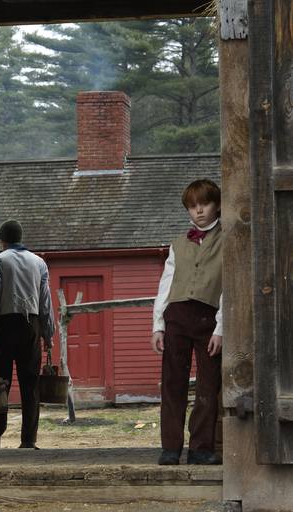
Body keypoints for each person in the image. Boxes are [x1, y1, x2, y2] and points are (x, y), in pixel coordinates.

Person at [151, 179, 223, 465]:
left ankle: (200, 449)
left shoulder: (231, 239)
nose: (199, 211)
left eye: (204, 204)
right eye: (193, 207)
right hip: (177, 318)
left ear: (217, 205)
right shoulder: (178, 244)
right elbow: (165, 286)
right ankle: (170, 448)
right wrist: (158, 325)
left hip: (209, 318)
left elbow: (231, 287)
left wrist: (221, 328)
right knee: (172, 383)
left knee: (208, 385)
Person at [0, 219, 55, 449]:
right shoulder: (39, 263)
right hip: (32, 326)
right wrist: (48, 334)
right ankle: (29, 440)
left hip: (6, 324)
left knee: (0, 383)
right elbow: (45, 303)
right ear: (20, 239)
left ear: (3, 240)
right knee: (31, 384)